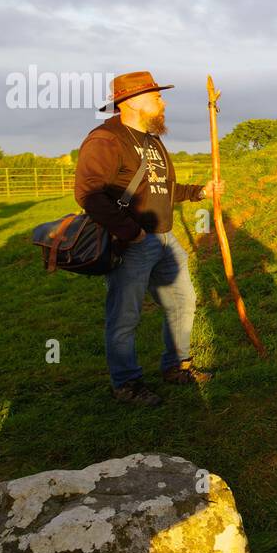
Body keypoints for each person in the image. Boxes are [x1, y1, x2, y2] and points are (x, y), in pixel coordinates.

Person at [75, 71, 224, 406]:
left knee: (183, 302)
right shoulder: (105, 139)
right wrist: (132, 233)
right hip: (133, 243)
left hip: (166, 240)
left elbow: (163, 188)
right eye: (157, 97)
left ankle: (177, 366)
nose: (163, 102)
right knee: (125, 316)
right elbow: (89, 194)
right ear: (131, 101)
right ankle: (126, 384)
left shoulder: (152, 140)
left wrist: (199, 192)